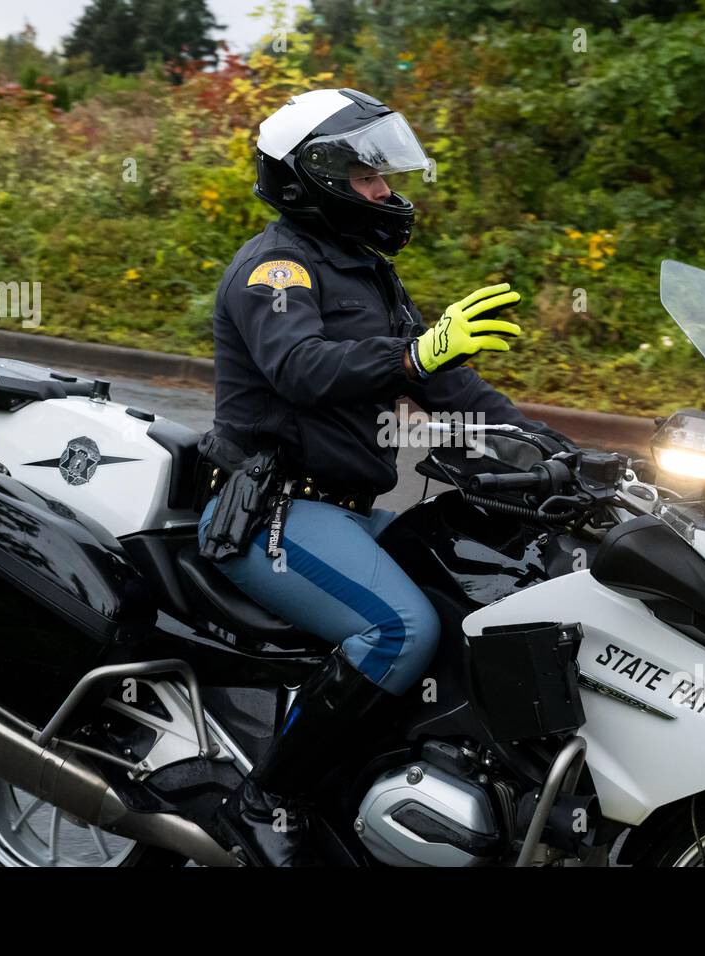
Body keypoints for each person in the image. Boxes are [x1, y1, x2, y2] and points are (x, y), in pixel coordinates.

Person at [200, 88, 569, 866]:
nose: (386, 192)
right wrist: (412, 355)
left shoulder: (365, 273)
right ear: (316, 178)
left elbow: (449, 389)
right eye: (369, 178)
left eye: (385, 176)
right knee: (401, 628)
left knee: (487, 593)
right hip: (275, 512)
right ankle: (268, 798)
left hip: (344, 510)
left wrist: (559, 451)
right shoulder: (278, 269)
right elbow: (300, 367)